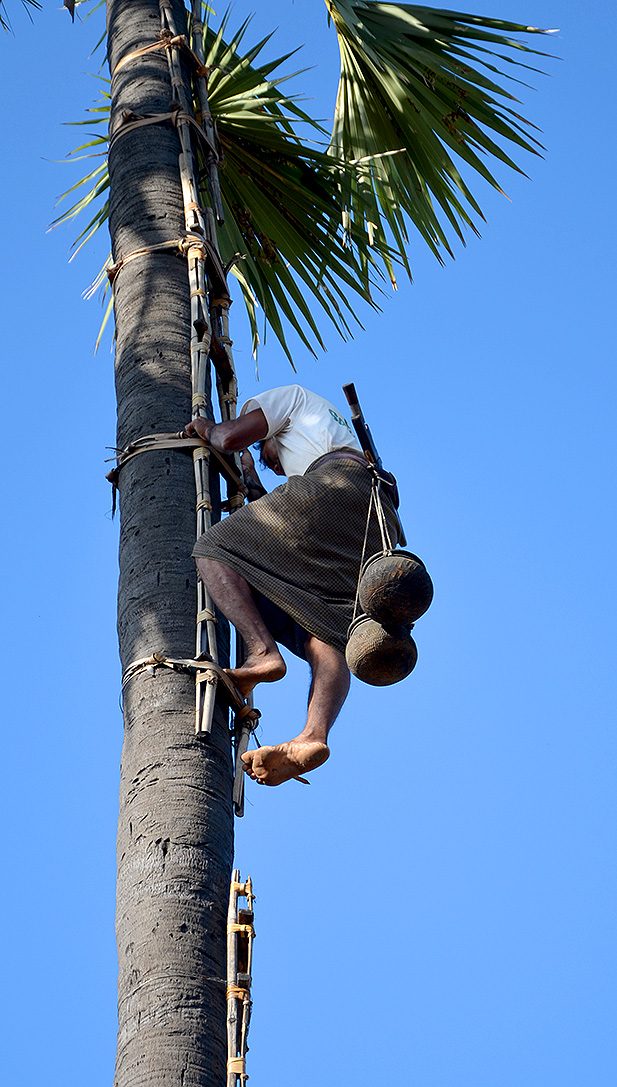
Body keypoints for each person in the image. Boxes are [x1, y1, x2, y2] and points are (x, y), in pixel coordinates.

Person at [185, 385, 401, 786]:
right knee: (322, 632)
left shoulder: (289, 398)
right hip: (375, 519)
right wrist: (250, 479)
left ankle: (262, 653)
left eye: (269, 458)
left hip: (336, 483)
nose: (276, 466)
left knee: (213, 548)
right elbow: (280, 527)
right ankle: (313, 735)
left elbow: (229, 437)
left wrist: (209, 429)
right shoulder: (328, 434)